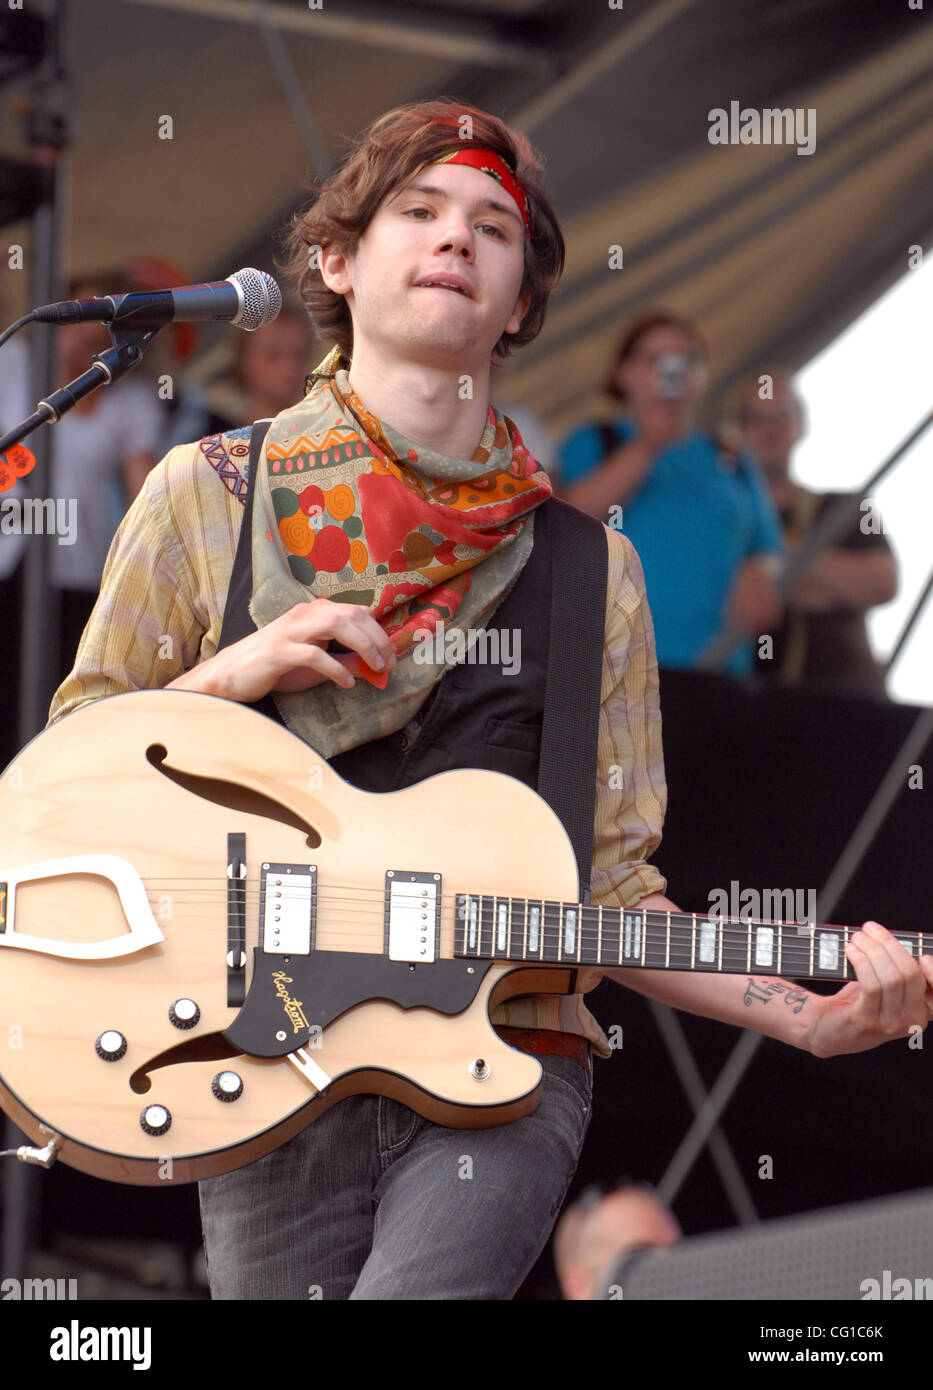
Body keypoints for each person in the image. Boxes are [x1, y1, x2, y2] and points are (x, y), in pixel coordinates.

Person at [46, 99, 933, 1301]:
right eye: (417, 211)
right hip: (257, 1054)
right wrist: (230, 675)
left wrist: (805, 1018)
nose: (455, 239)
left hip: (509, 1053)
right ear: (339, 262)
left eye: (492, 227)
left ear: (520, 301)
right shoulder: (210, 494)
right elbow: (70, 782)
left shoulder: (590, 567)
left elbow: (611, 890)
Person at [557, 313, 784, 676]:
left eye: (689, 360)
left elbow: (768, 547)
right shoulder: (595, 441)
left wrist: (760, 571)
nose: (673, 373)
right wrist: (648, 445)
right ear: (624, 373)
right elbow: (570, 524)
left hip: (719, 667)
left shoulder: (732, 457)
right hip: (614, 671)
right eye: (657, 360)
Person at [731, 371, 897, 696]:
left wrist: (780, 569)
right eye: (757, 418)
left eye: (781, 415)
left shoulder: (849, 507)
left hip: (851, 702)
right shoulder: (725, 521)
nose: (770, 429)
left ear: (800, 425)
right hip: (754, 707)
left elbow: (883, 582)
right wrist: (830, 585)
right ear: (740, 430)